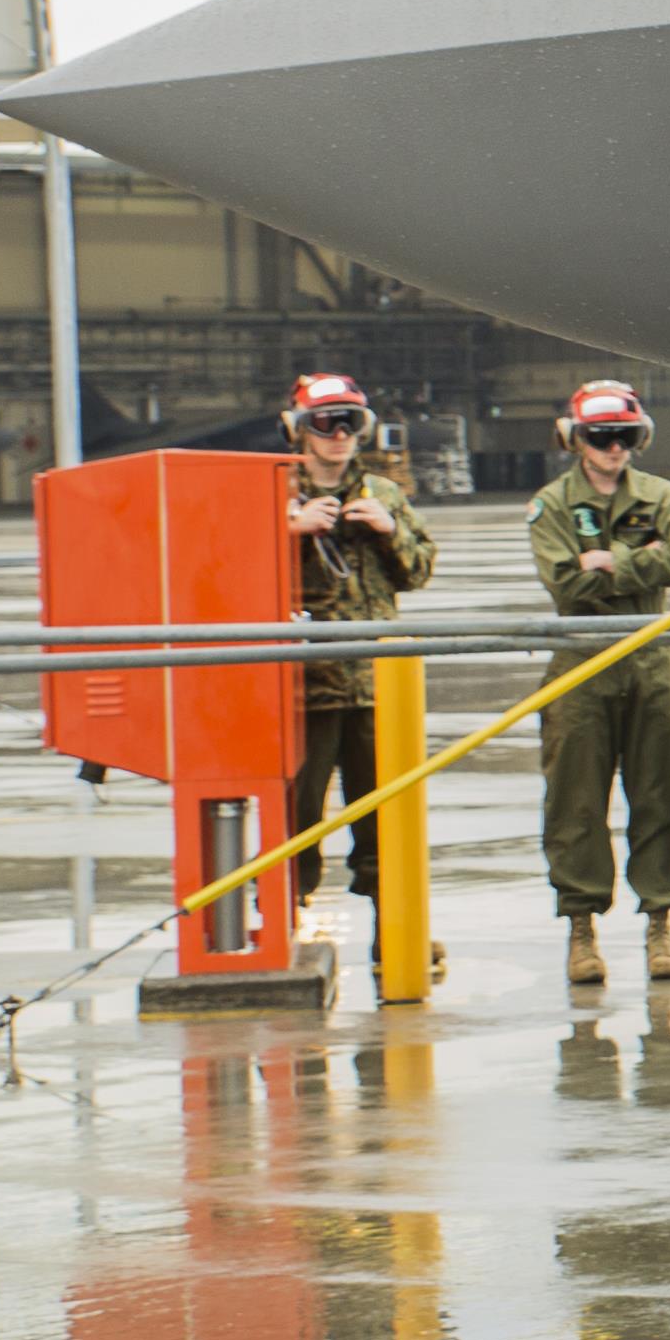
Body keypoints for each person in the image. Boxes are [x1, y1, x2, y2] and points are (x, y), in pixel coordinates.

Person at [529, 379, 670, 993]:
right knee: (575, 800)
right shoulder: (550, 505)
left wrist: (607, 562)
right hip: (581, 664)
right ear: (577, 440)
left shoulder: (662, 495)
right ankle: (581, 930)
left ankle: (659, 925)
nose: (613, 447)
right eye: (601, 436)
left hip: (651, 661)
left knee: (665, 791)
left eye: (623, 436)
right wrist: (633, 562)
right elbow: (565, 585)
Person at [278, 371, 438, 946]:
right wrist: (288, 531)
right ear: (300, 429)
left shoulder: (382, 493)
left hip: (376, 686)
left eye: (349, 423)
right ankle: (285, 923)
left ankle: (393, 936)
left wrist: (390, 530)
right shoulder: (274, 493)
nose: (338, 435)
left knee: (383, 816)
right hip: (304, 688)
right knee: (296, 815)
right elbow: (227, 569)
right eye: (325, 422)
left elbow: (419, 569)